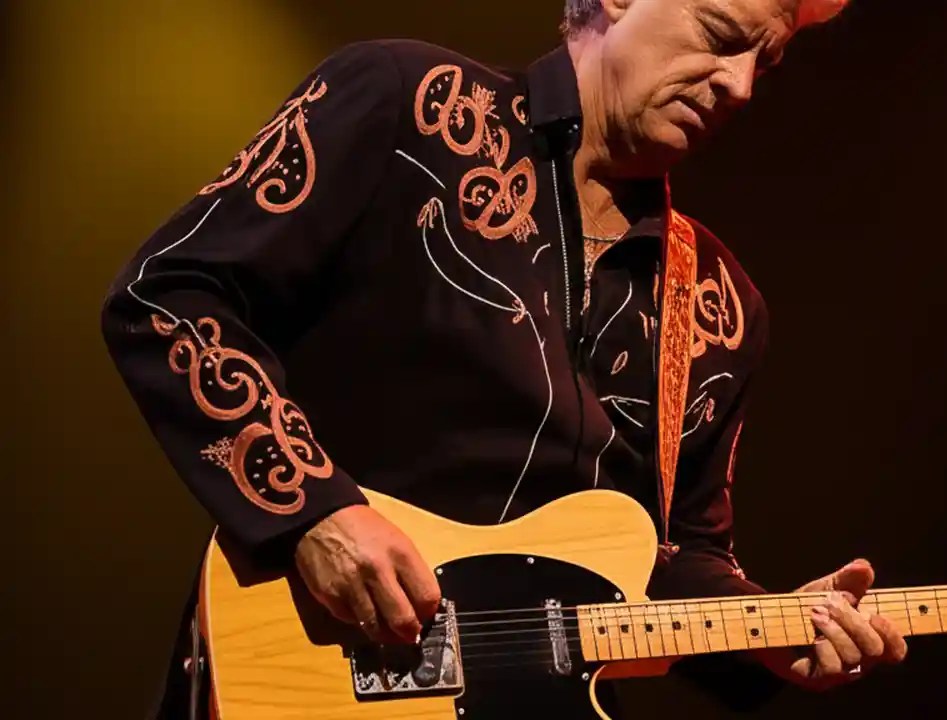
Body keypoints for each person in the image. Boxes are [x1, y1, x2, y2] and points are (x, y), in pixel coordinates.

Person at [101, 0, 906, 716]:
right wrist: (313, 512)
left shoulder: (723, 310)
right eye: (721, 37)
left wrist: (764, 631)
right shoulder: (407, 103)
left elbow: (679, 557)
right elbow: (170, 294)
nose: (741, 85)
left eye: (764, 61)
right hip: (312, 675)